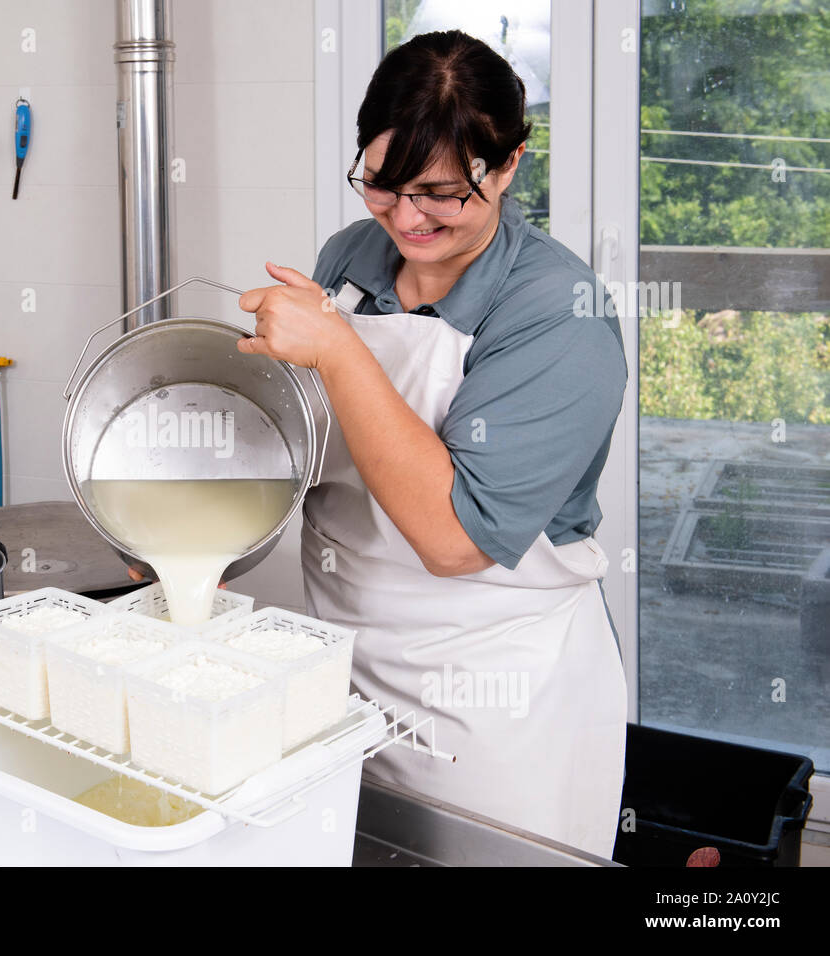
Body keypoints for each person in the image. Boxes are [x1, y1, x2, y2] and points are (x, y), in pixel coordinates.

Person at [236, 30, 628, 858]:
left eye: (443, 193)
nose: (406, 217)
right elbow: (312, 437)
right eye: (381, 183)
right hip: (346, 670)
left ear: (511, 164)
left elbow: (456, 540)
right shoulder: (349, 259)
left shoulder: (558, 314)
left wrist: (339, 347)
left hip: (497, 704)